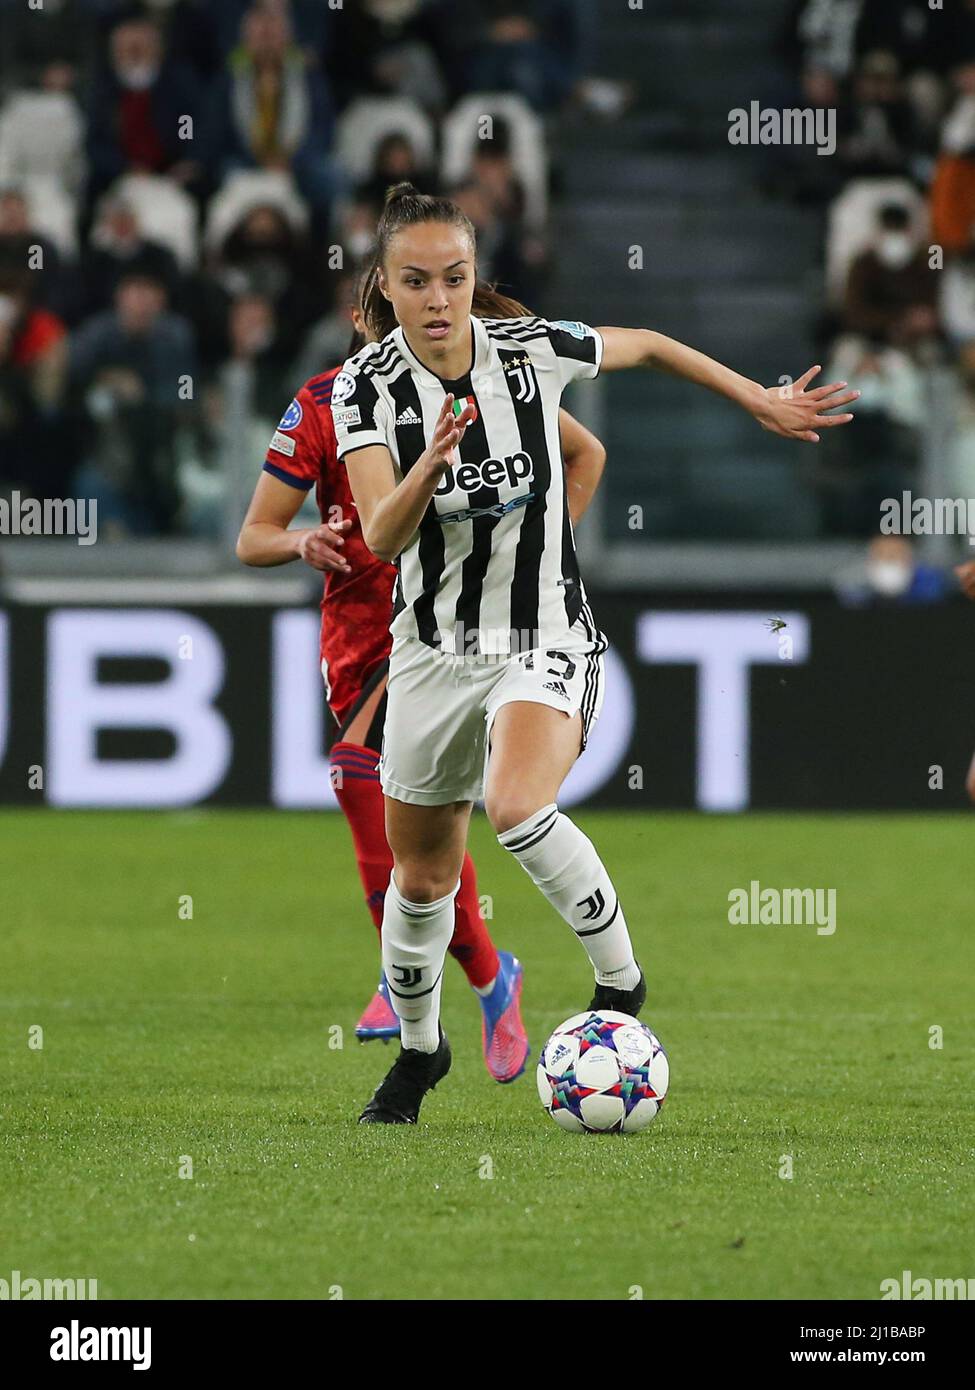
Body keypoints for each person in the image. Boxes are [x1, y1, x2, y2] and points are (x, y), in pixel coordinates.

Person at [333, 182, 859, 1126]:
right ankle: (420, 1056)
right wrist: (429, 463)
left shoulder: (529, 352)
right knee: (420, 882)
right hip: (429, 654)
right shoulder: (362, 388)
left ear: (472, 276)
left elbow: (650, 344)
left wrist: (759, 400)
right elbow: (378, 533)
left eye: (455, 277)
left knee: (517, 807)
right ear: (388, 285)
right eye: (418, 282)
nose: (441, 299)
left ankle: (618, 988)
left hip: (543, 635)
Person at [236, 255, 606, 1081]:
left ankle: (409, 976)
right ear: (369, 321)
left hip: (453, 631)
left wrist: (537, 560)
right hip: (360, 642)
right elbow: (251, 537)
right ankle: (484, 975)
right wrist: (299, 541)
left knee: (358, 774)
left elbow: (582, 457)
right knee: (421, 821)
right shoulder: (326, 403)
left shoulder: (486, 384)